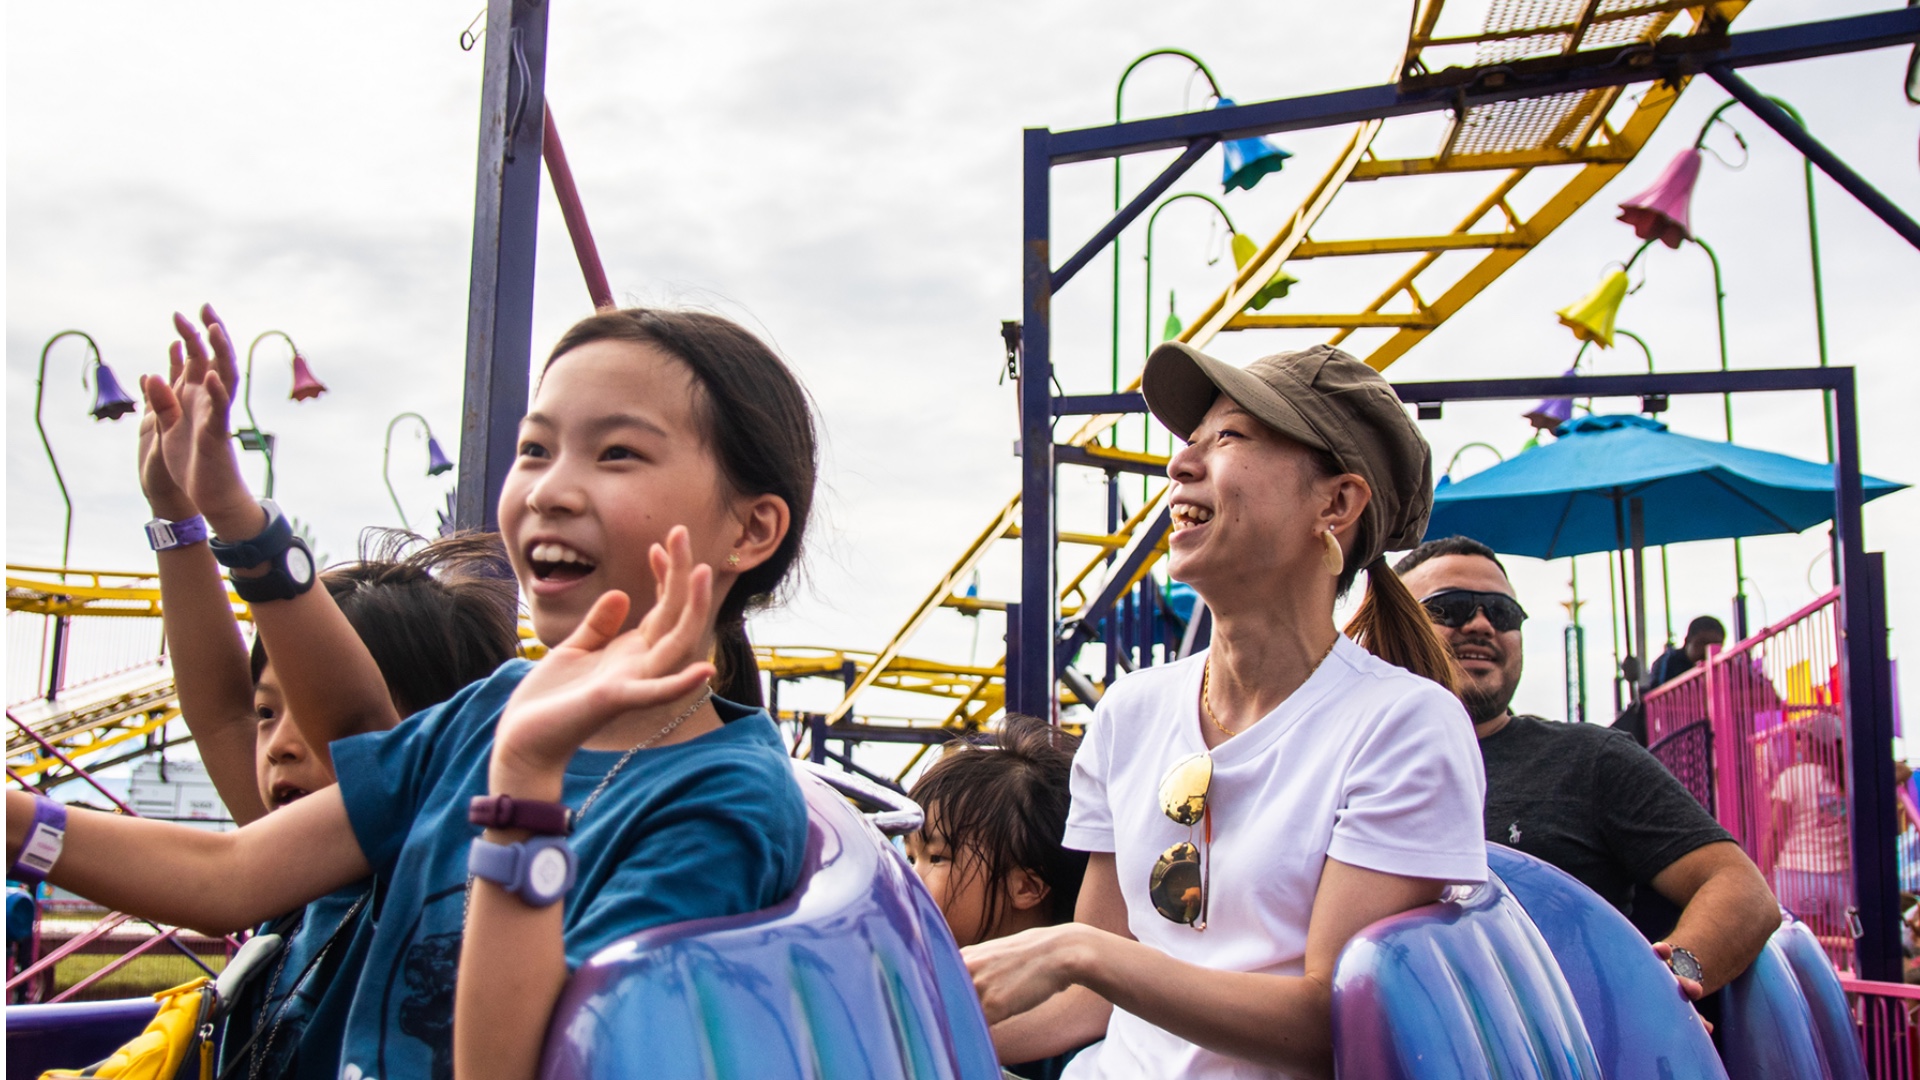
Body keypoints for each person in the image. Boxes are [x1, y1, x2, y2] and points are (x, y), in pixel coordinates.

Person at [7, 305, 817, 1080]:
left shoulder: (719, 799)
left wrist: (523, 784)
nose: (549, 490)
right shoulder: (489, 710)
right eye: (535, 449)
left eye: (617, 454)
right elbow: (232, 876)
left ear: (751, 530)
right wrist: (17, 825)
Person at [966, 343, 1487, 1079]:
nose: (1179, 464)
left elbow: (1335, 1020)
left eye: (1229, 437)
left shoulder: (1404, 725)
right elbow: (1092, 1002)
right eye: (1190, 442)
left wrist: (1082, 952)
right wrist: (917, 1039)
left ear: (1336, 504)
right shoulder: (1130, 711)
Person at [137, 307, 525, 1080]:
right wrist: (174, 520)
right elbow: (219, 710)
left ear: (427, 740)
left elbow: (356, 721)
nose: (279, 744)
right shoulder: (294, 870)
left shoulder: (417, 877)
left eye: (306, 717)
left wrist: (234, 517)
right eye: (268, 713)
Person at [1395, 535, 1779, 1003]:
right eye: (1450, 607)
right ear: (1390, 628)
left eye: (1502, 613)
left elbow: (1742, 890)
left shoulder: (1591, 758)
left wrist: (1661, 992)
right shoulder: (1348, 767)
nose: (1481, 624)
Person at [906, 714, 1089, 1080]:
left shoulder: (1080, 1049)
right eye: (911, 857)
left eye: (936, 858)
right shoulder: (933, 984)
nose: (909, 876)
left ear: (1026, 887)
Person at [1769, 713, 1850, 938]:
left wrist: (1764, 871)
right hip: (1841, 878)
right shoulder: (1849, 775)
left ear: (1810, 742)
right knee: (1841, 945)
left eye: (1801, 739)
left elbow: (1776, 830)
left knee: (1802, 942)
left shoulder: (1793, 776)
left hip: (1798, 876)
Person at [1648, 616, 1727, 689]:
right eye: (1702, 643)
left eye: (1716, 645)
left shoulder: (1725, 666)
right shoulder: (1667, 662)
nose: (1708, 650)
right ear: (1687, 641)